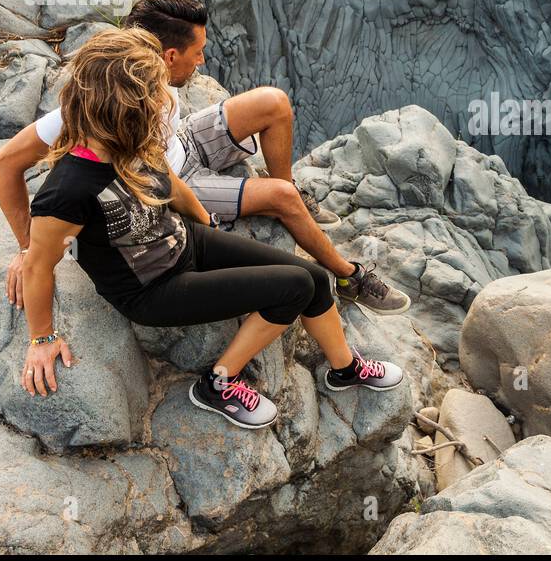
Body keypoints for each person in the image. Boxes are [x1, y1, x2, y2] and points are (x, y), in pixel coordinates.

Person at [20, 27, 403, 430]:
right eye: (152, 93)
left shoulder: (129, 141)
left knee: (312, 276)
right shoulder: (69, 189)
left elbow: (171, 182)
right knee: (294, 288)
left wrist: (207, 223)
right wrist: (42, 338)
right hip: (151, 290)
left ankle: (343, 369)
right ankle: (217, 384)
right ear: (126, 106)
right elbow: (38, 266)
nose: (161, 100)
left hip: (184, 242)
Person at [0, 0, 409, 316]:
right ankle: (348, 276)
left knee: (274, 102)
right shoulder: (101, 104)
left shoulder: (151, 74)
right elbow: (4, 163)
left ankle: (290, 188)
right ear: (170, 57)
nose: (203, 60)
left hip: (185, 141)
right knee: (283, 199)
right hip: (172, 181)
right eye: (197, 53)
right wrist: (29, 247)